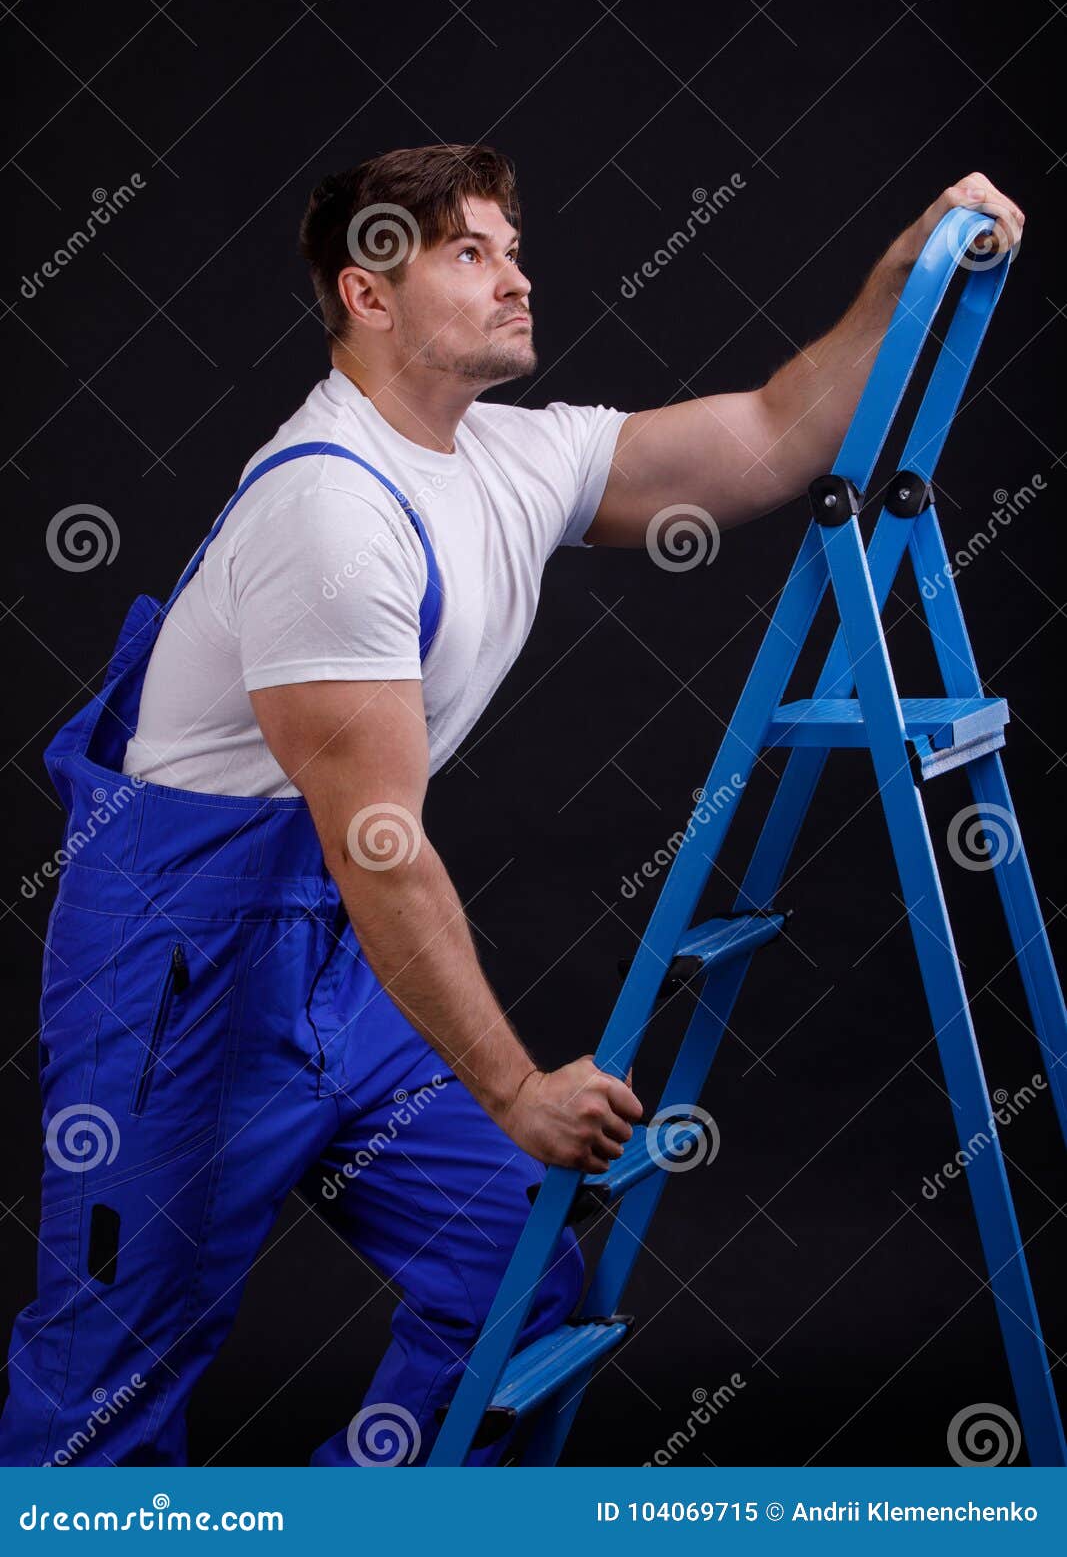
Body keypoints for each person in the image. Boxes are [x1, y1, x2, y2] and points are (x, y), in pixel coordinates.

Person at [0, 146, 1023, 1467]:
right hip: (178, 971)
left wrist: (901, 275)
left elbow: (774, 435)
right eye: (468, 251)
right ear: (367, 294)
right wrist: (516, 1086)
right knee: (112, 1375)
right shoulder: (330, 511)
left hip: (334, 964)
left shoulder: (512, 459)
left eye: (512, 245)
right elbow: (379, 848)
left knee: (513, 1277)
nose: (516, 274)